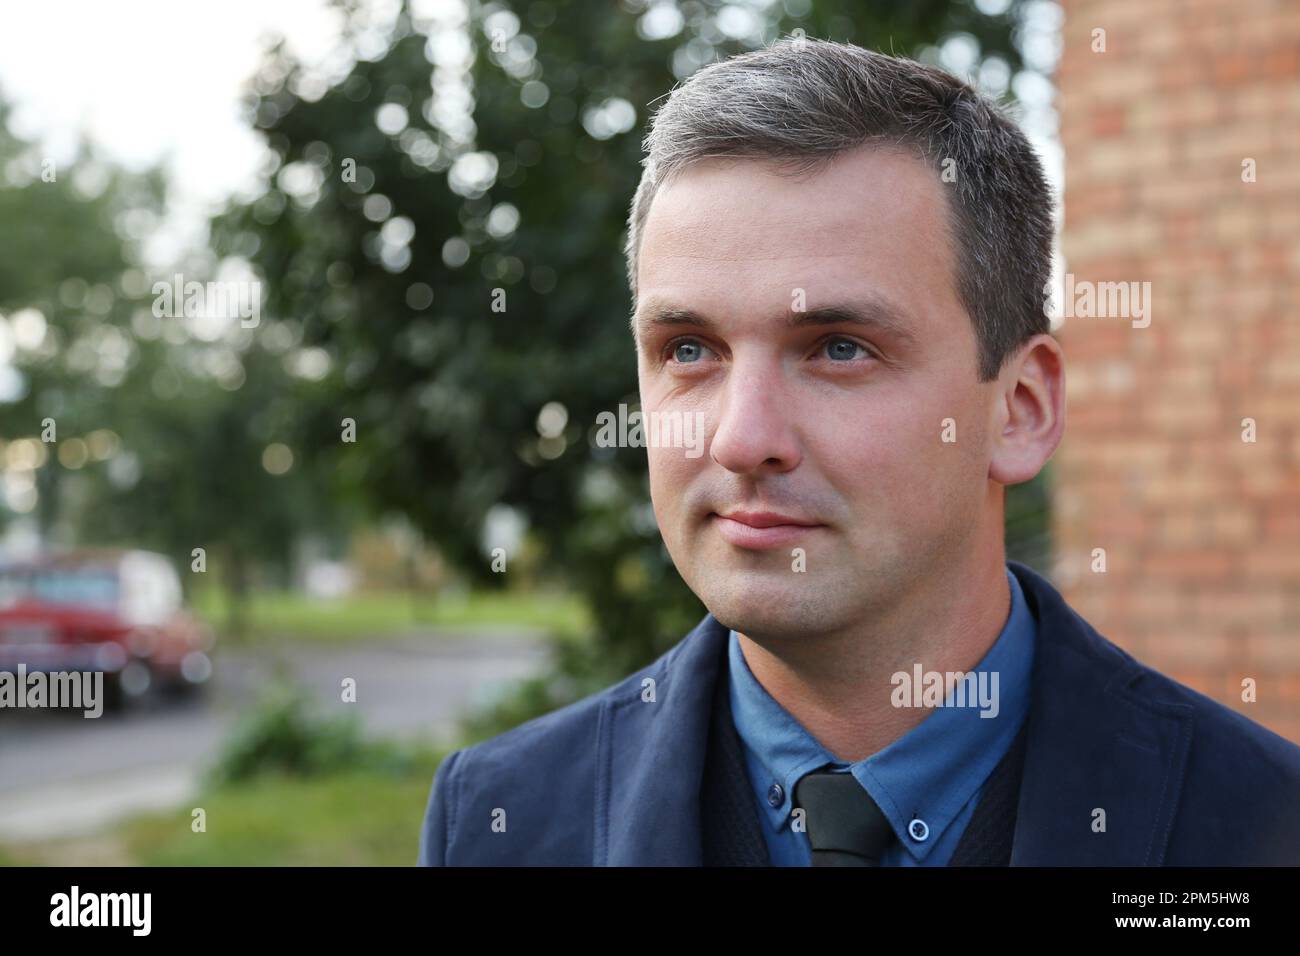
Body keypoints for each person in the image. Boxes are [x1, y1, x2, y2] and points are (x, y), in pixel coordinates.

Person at [418, 38, 1300, 866]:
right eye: (689, 350)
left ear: (1021, 409)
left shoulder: (1261, 826)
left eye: (838, 347)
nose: (741, 437)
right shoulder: (501, 822)